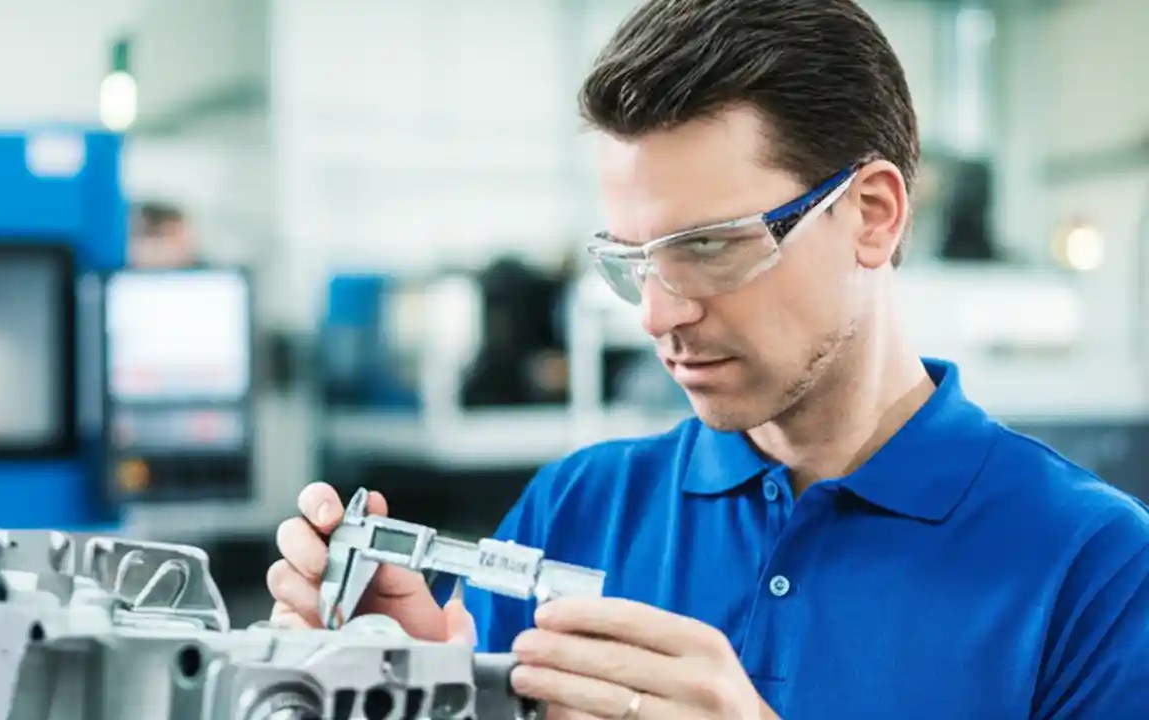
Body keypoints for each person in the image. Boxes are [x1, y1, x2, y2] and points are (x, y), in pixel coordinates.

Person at [268, 0, 1149, 717]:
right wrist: (418, 686)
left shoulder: (1094, 570)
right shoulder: (575, 509)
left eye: (712, 247)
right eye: (632, 262)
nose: (659, 313)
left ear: (874, 214)